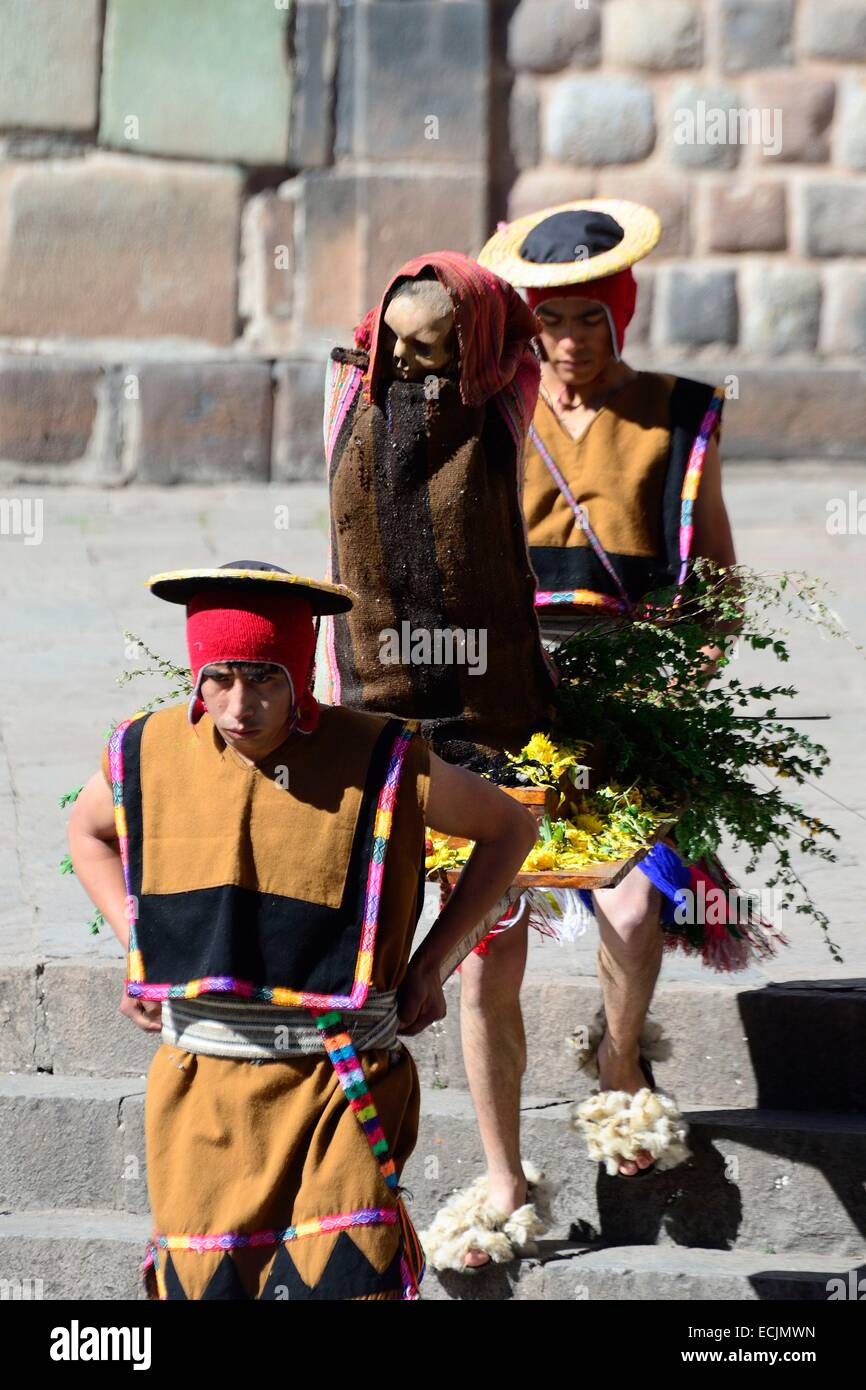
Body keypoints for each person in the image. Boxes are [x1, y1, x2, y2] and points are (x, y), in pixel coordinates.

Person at [67, 560, 537, 1300]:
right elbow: (87, 831)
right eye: (218, 677)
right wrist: (140, 941)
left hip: (335, 1079)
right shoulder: (148, 750)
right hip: (203, 1086)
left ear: (300, 675)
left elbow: (509, 827)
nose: (240, 704)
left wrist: (431, 963)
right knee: (208, 1285)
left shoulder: (378, 755)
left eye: (264, 678)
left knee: (344, 1281)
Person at [421, 200, 742, 1270]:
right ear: (529, 323)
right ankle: (506, 1174)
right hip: (499, 712)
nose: (570, 344)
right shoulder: (483, 416)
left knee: (637, 896)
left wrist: (679, 682)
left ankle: (616, 1062)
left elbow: (718, 586)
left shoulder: (674, 416)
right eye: (552, 322)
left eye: (591, 323)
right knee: (481, 952)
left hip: (622, 712)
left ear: (620, 317)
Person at [317, 249, 557, 760]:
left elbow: (511, 347)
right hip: (373, 657)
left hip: (481, 662)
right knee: (367, 735)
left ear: (467, 348)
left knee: (493, 713)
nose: (399, 356)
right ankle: (375, 735)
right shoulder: (352, 396)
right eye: (392, 336)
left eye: (423, 346)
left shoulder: (500, 406)